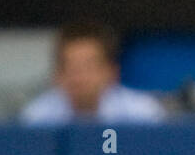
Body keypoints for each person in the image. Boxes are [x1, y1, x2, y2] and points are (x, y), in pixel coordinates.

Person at [20, 22, 166, 125]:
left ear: (112, 72)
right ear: (57, 75)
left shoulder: (143, 115)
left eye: (88, 67)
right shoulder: (36, 118)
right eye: (70, 67)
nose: (78, 77)